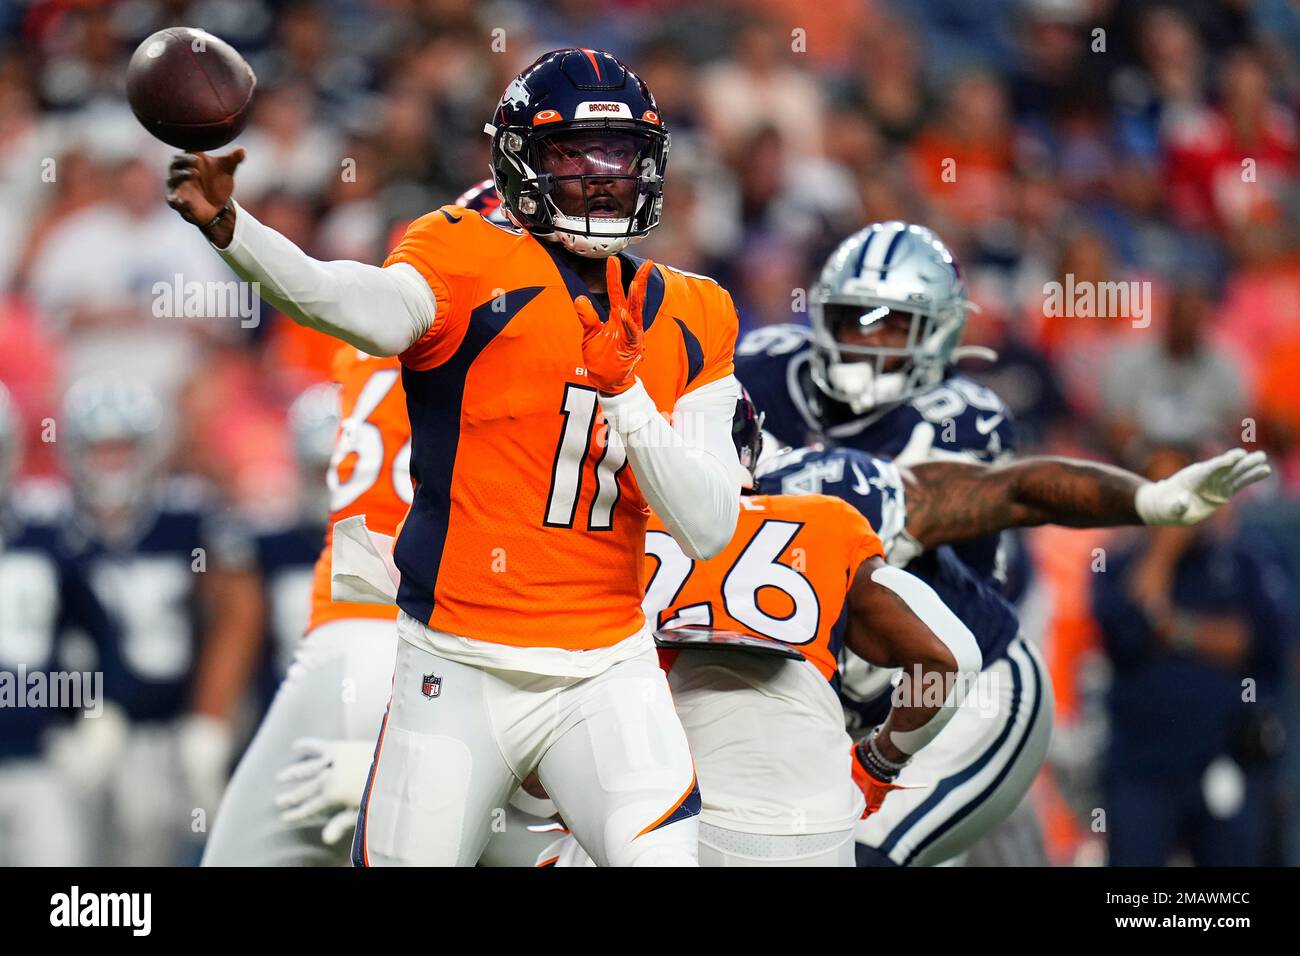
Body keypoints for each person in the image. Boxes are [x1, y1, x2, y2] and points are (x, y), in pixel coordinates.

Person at [168, 48, 743, 867]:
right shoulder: (462, 252)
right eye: (575, 154)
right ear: (521, 161)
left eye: (621, 156)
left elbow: (711, 525)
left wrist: (627, 398)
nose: (604, 177)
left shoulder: (695, 310)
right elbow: (352, 303)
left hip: (607, 670)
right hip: (457, 667)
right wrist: (237, 231)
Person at [1093, 444, 1295, 866]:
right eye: (1158, 489)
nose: (1170, 502)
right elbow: (1127, 633)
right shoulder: (1118, 565)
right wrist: (1164, 550)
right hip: (1141, 767)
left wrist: (1177, 630)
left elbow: (1265, 641)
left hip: (1226, 757)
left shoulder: (1238, 560)